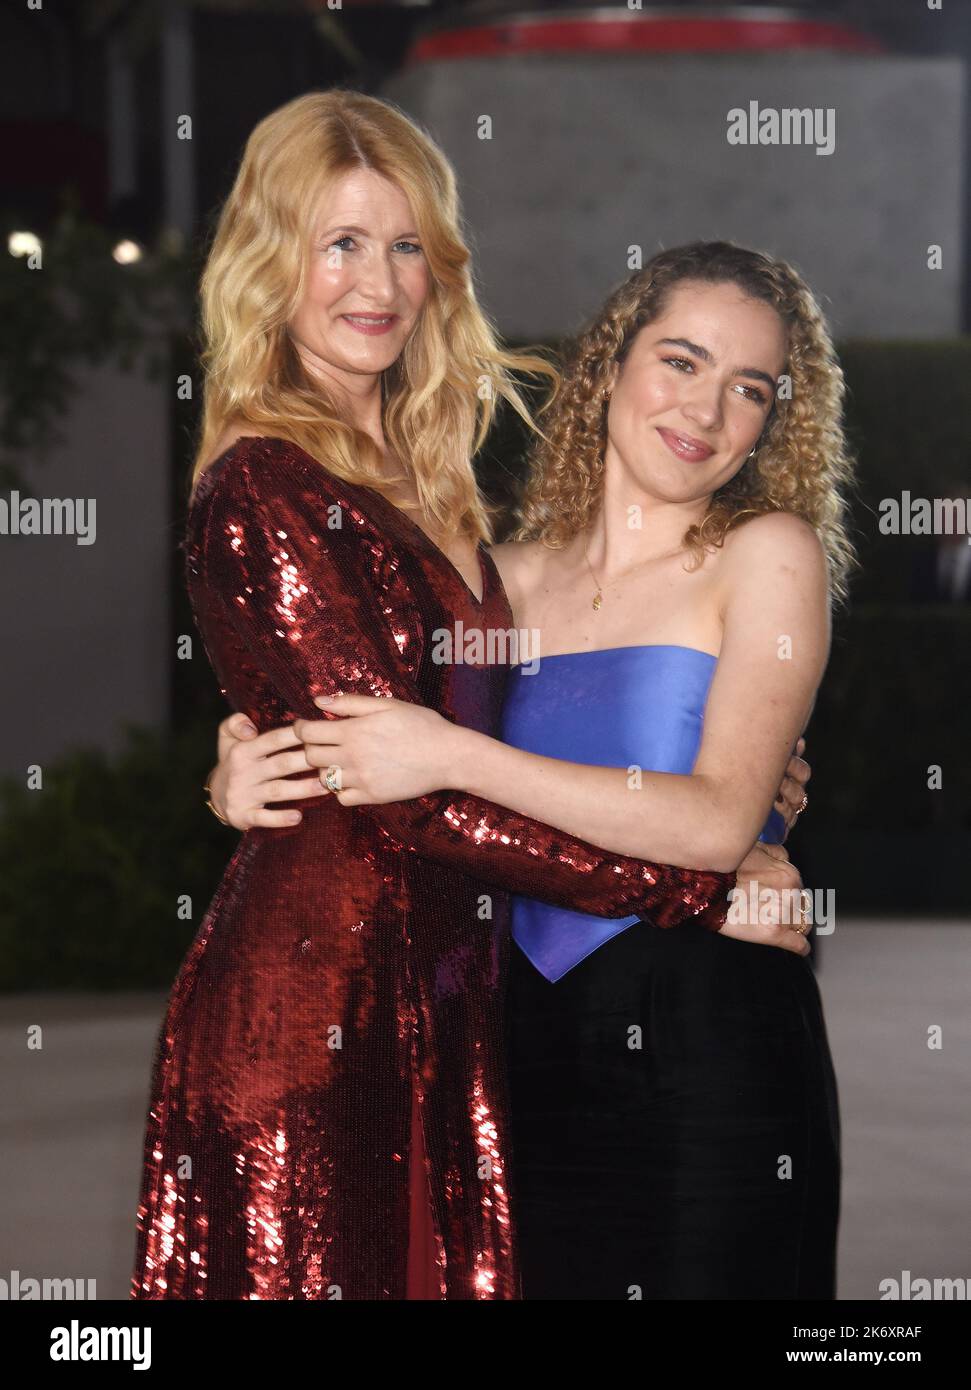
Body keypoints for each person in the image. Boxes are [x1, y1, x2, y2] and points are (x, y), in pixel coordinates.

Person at [131, 93, 802, 1303]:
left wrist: (746, 794)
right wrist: (693, 884)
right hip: (314, 1004)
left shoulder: (425, 467)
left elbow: (465, 727)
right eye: (336, 242)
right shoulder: (263, 480)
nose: (373, 281)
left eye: (402, 245)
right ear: (270, 261)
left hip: (447, 993)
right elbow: (406, 793)